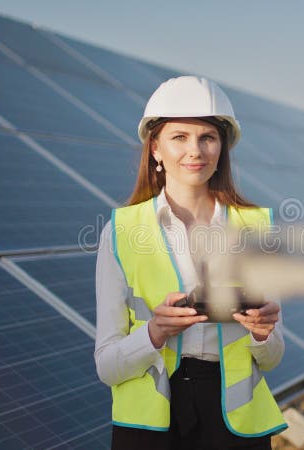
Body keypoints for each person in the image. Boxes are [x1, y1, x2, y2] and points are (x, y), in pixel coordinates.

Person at [94, 76, 288, 450]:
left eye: (208, 137)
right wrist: (155, 332)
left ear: (222, 148)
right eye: (179, 137)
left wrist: (262, 332)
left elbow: (273, 357)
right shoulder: (119, 232)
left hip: (235, 426)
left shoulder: (256, 228)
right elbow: (106, 366)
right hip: (148, 428)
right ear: (155, 149)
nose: (195, 150)